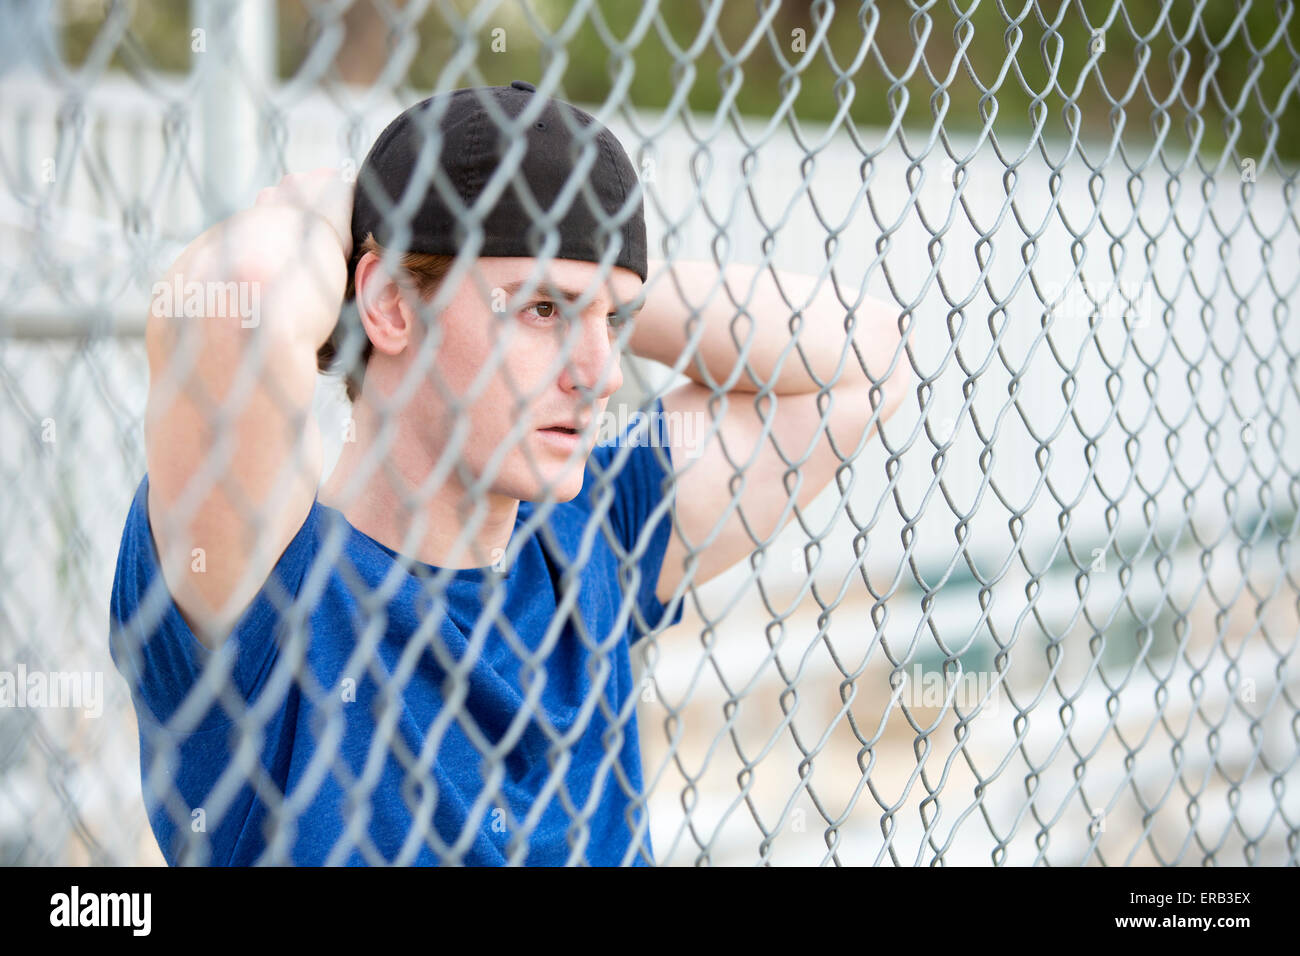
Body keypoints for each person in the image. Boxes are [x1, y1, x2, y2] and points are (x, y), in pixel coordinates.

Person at [109, 81, 912, 865]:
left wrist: (591, 261)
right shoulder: (264, 586)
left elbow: (866, 362)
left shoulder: (593, 532)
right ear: (388, 303)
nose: (599, 373)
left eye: (614, 322)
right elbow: (236, 298)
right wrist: (334, 206)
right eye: (541, 311)